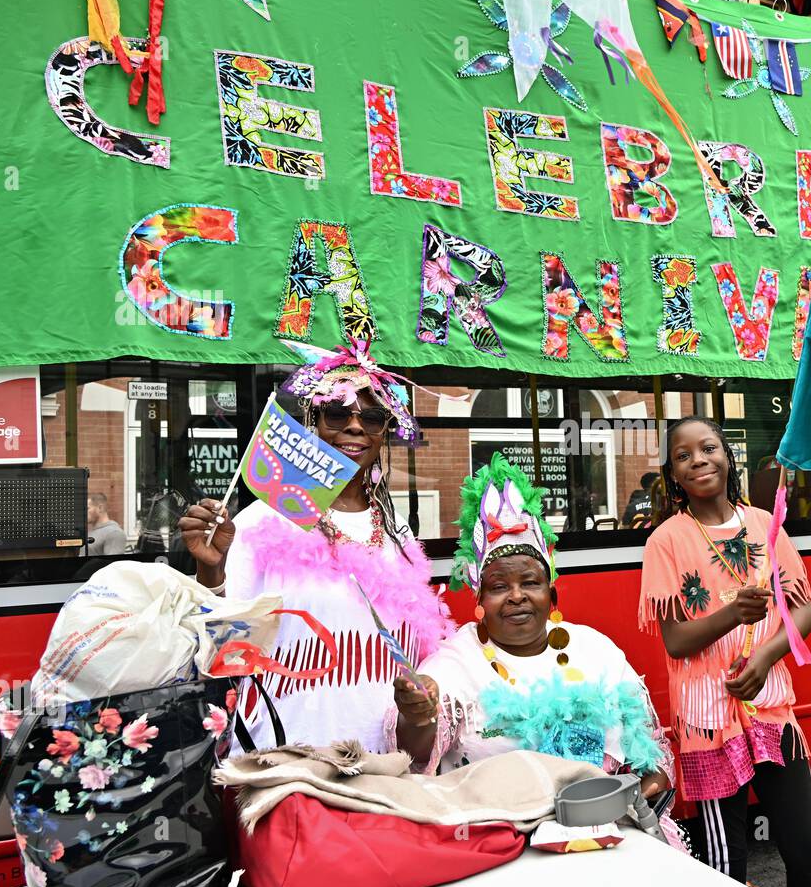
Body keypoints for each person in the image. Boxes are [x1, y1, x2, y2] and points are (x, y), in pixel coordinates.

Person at [178, 338, 454, 752]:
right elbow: (220, 653)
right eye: (338, 413)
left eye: (373, 418)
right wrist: (211, 573)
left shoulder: (398, 533)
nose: (356, 426)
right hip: (292, 759)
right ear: (314, 421)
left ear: (384, 434)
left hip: (383, 760)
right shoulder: (265, 520)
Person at [393, 453, 685, 842]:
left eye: (530, 583)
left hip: (610, 835)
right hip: (496, 843)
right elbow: (415, 754)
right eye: (498, 586)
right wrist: (418, 715)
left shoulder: (597, 651)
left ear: (552, 593)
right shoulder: (457, 661)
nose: (516, 596)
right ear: (480, 598)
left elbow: (653, 757)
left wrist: (627, 803)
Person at [638, 416, 811, 887]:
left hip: (770, 711)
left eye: (708, 449)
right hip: (708, 725)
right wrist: (732, 613)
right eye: (683, 456)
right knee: (726, 865)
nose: (698, 460)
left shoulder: (765, 524)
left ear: (728, 456)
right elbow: (677, 642)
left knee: (807, 846)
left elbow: (803, 612)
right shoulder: (665, 541)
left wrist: (766, 657)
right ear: (674, 475)